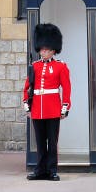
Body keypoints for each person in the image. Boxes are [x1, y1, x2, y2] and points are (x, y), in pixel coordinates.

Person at [23, 23, 70, 182]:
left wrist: (65, 107)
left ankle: (52, 170)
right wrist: (26, 105)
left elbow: (66, 88)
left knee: (52, 142)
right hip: (37, 108)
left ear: (53, 50)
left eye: (47, 49)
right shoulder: (34, 66)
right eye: (42, 49)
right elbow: (28, 87)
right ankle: (40, 170)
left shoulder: (60, 66)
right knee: (40, 142)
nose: (44, 52)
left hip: (53, 108)